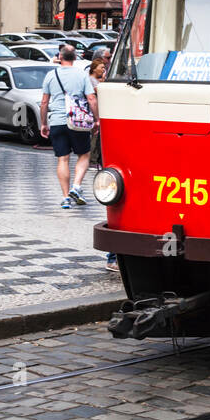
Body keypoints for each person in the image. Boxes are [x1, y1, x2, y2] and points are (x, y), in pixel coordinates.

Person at [39, 45, 99, 209]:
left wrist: (44, 123)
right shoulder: (81, 75)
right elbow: (92, 99)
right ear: (75, 57)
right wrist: (96, 120)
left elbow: (44, 102)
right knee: (84, 155)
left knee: (63, 159)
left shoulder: (51, 75)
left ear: (60, 56)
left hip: (58, 121)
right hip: (78, 121)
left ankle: (66, 197)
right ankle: (76, 186)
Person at [86, 57, 116, 272]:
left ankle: (113, 256)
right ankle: (113, 257)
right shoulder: (107, 90)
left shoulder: (109, 88)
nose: (104, 71)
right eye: (102, 68)